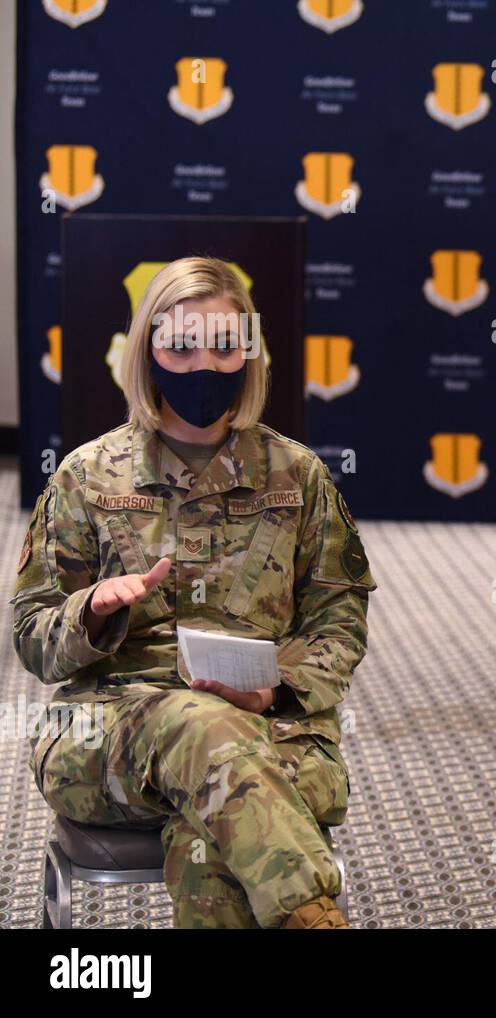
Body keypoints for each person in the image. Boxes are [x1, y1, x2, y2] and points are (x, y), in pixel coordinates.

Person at [11, 256, 377, 929]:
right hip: (111, 734)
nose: (202, 364)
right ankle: (314, 914)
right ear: (146, 350)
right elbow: (33, 640)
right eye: (179, 345)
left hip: (273, 729)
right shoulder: (86, 476)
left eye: (223, 345)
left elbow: (339, 620)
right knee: (200, 729)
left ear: (250, 354)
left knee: (215, 832)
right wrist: (90, 611)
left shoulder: (297, 475)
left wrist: (277, 689)